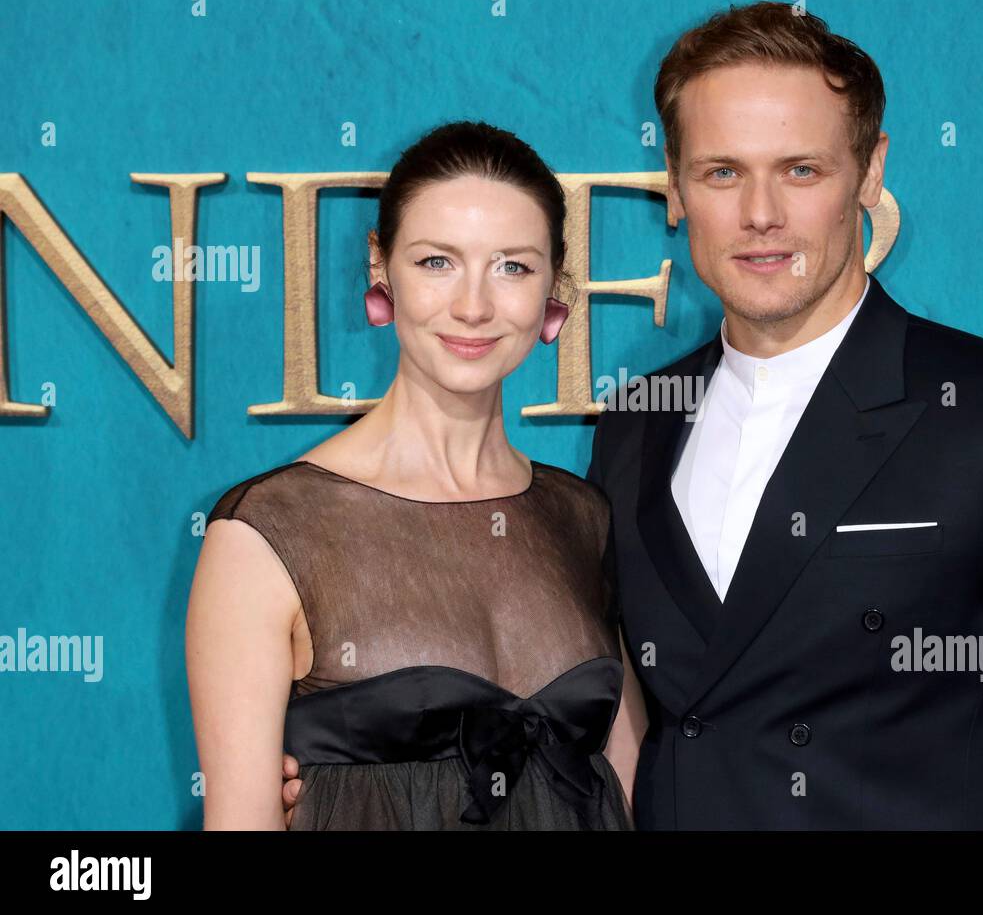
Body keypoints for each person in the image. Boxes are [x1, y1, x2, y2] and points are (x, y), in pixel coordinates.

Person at [283, 1, 983, 831]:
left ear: (869, 171)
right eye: (722, 172)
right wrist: (353, 774)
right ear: (676, 190)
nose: (760, 214)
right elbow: (603, 715)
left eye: (800, 169)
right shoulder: (639, 423)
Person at [186, 120, 646, 830]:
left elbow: (624, 787)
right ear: (381, 267)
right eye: (437, 262)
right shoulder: (266, 534)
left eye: (512, 267)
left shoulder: (585, 519)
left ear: (557, 285)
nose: (473, 305)